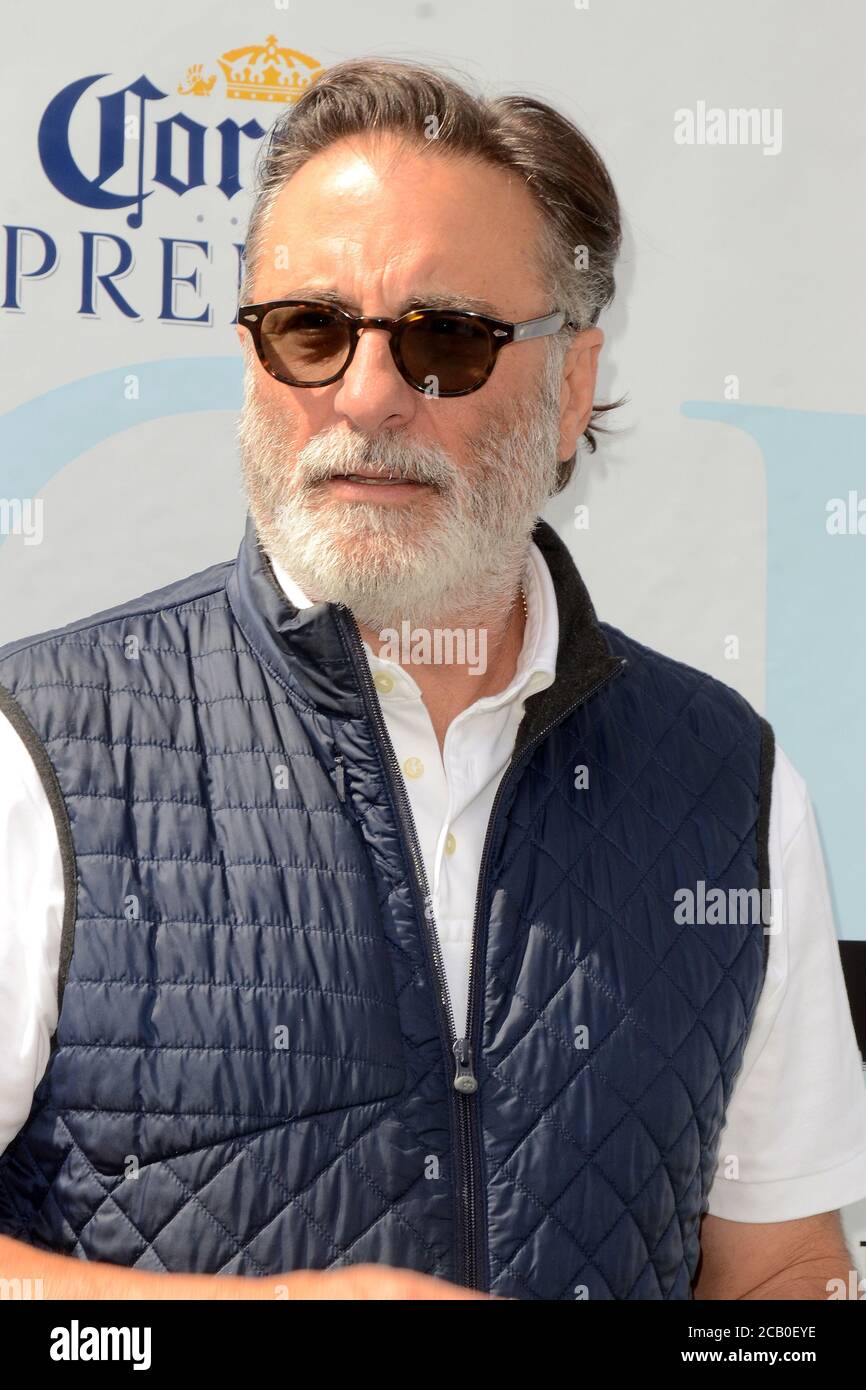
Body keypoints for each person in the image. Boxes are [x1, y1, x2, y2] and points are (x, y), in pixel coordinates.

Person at [0, 57, 864, 1301]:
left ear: (571, 385)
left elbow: (778, 1267)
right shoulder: (45, 757)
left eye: (443, 341)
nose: (365, 396)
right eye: (310, 330)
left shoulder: (727, 782)